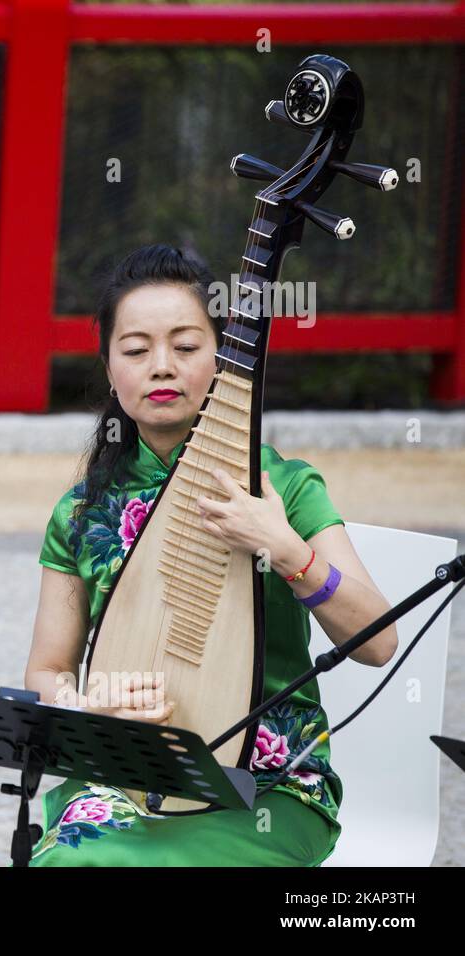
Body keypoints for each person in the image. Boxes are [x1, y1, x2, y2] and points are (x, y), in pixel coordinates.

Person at [22, 244, 399, 866]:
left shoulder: (287, 487)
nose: (161, 366)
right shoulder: (82, 512)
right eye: (136, 350)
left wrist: (285, 549)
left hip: (271, 785)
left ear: (223, 363)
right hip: (124, 770)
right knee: (77, 858)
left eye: (187, 347)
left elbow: (378, 644)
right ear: (110, 369)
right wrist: (87, 706)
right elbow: (47, 671)